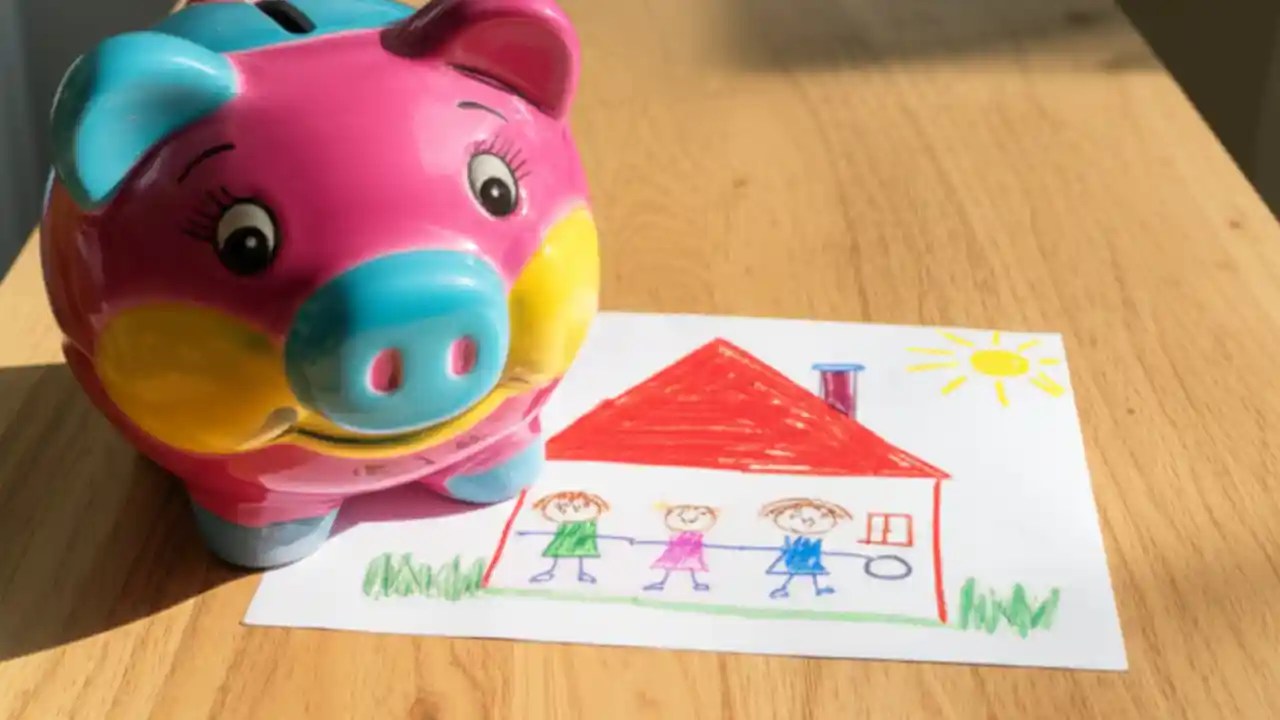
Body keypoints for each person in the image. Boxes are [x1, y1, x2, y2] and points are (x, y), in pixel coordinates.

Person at [759, 497, 852, 599]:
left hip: (807, 563)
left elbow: (812, 550)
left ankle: (816, 588)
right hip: (797, 563)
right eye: (794, 516)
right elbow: (794, 550)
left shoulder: (810, 539)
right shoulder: (795, 539)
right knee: (799, 573)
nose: (806, 523)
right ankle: (785, 588)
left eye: (821, 516)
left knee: (810, 573)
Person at [527, 490, 612, 583]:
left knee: (578, 554)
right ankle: (554, 571)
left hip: (580, 542)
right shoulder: (565, 524)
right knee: (560, 553)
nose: (569, 511)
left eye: (578, 508)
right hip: (564, 541)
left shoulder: (587, 523)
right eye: (561, 508)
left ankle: (580, 573)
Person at [643, 504, 718, 592]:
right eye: (680, 513)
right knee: (671, 567)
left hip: (691, 555)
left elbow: (696, 544)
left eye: (702, 513)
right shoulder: (679, 535)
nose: (689, 517)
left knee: (690, 567)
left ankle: (695, 583)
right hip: (676, 553)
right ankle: (662, 583)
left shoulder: (696, 535)